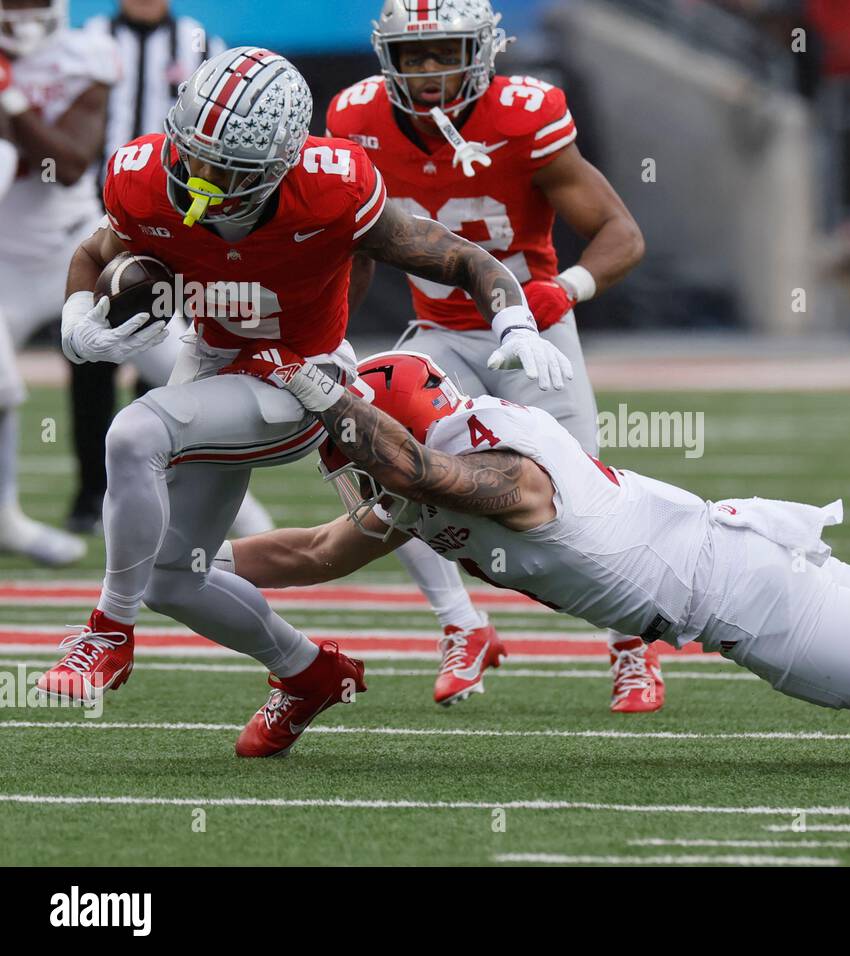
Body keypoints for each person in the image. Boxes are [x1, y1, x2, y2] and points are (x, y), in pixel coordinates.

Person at [210, 346, 850, 763]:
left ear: (399, 432)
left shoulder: (491, 467)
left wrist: (349, 419)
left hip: (742, 596)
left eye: (354, 446)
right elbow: (308, 549)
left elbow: (440, 485)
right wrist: (171, 569)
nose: (344, 469)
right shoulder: (431, 476)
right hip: (738, 547)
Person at [34, 47, 574, 708]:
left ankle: (107, 633)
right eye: (191, 154)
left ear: (279, 165)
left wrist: (514, 320)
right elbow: (96, 252)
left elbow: (458, 258)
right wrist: (76, 318)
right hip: (211, 362)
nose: (197, 176)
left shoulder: (332, 186)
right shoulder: (142, 174)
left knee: (132, 434)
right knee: (174, 579)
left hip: (299, 379)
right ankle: (308, 670)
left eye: (223, 169)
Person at [327, 0, 654, 712]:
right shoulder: (358, 121)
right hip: (438, 330)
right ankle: (462, 625)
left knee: (588, 501)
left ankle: (630, 646)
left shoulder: (525, 117)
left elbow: (620, 233)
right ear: (388, 59)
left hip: (528, 334)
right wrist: (333, 338)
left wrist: (561, 290)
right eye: (413, 56)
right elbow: (354, 244)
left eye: (444, 52)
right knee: (379, 462)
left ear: (483, 51)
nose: (428, 70)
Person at [65, 0, 255, 535]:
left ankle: (158, 486)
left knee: (165, 354)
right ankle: (90, 492)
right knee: (93, 355)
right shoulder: (92, 40)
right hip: (96, 211)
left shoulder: (201, 44)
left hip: (178, 216)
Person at [0, 0, 117, 564]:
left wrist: (10, 97)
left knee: (168, 355)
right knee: (2, 387)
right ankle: (6, 518)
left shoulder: (83, 53)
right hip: (2, 263)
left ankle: (236, 507)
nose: (18, 13)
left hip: (77, 248)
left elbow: (69, 163)